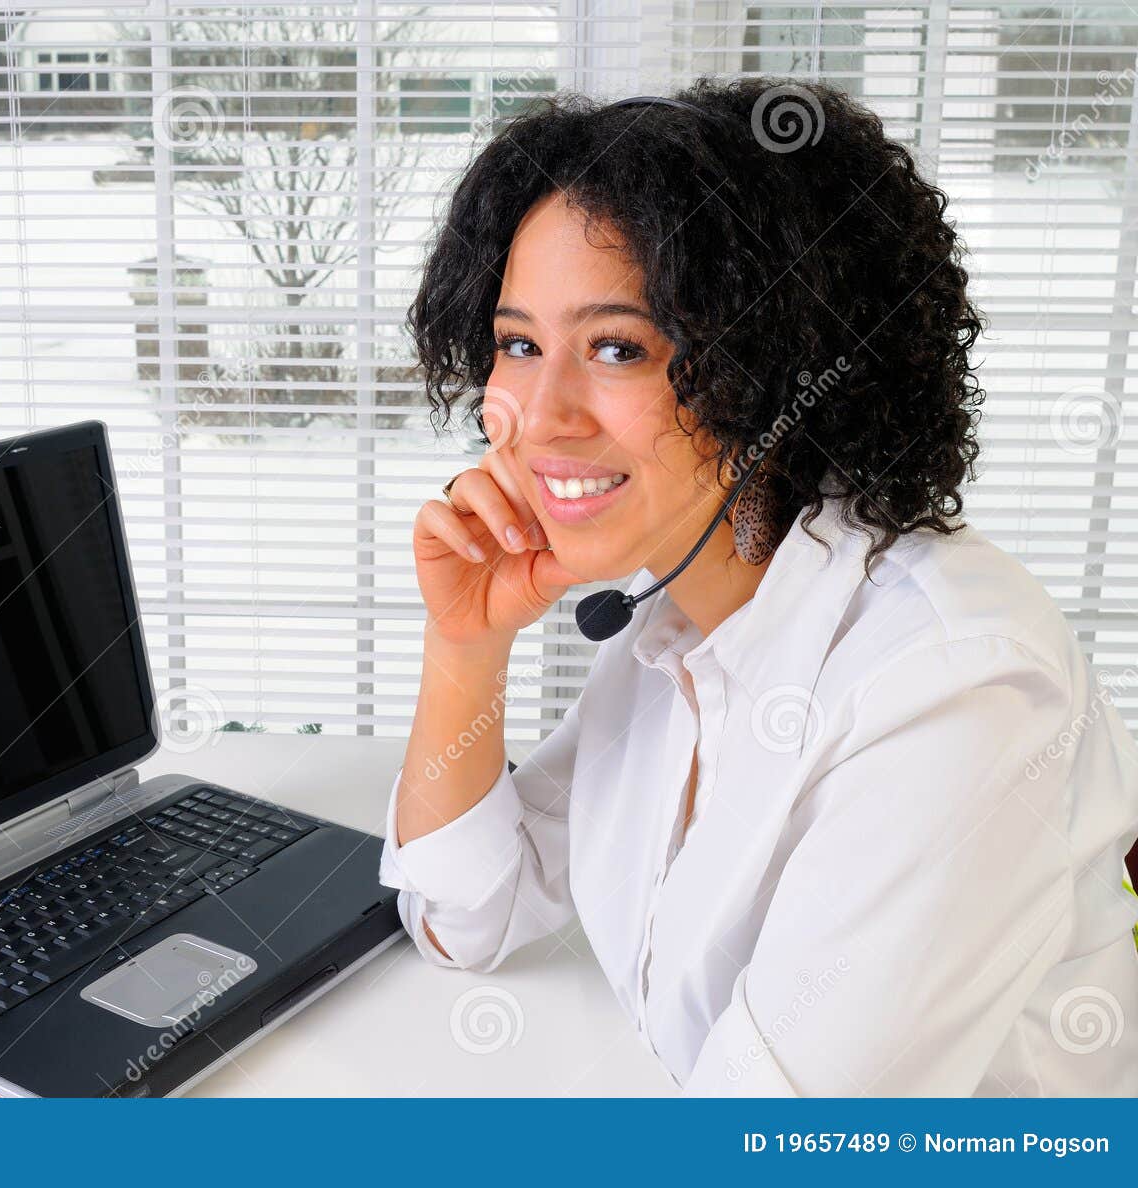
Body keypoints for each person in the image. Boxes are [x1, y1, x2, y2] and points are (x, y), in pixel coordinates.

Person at [380, 77, 1138, 1095]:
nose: (535, 412)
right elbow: (463, 918)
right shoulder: (681, 621)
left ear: (770, 366)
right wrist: (464, 647)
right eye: (519, 344)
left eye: (617, 347)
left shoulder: (956, 689)